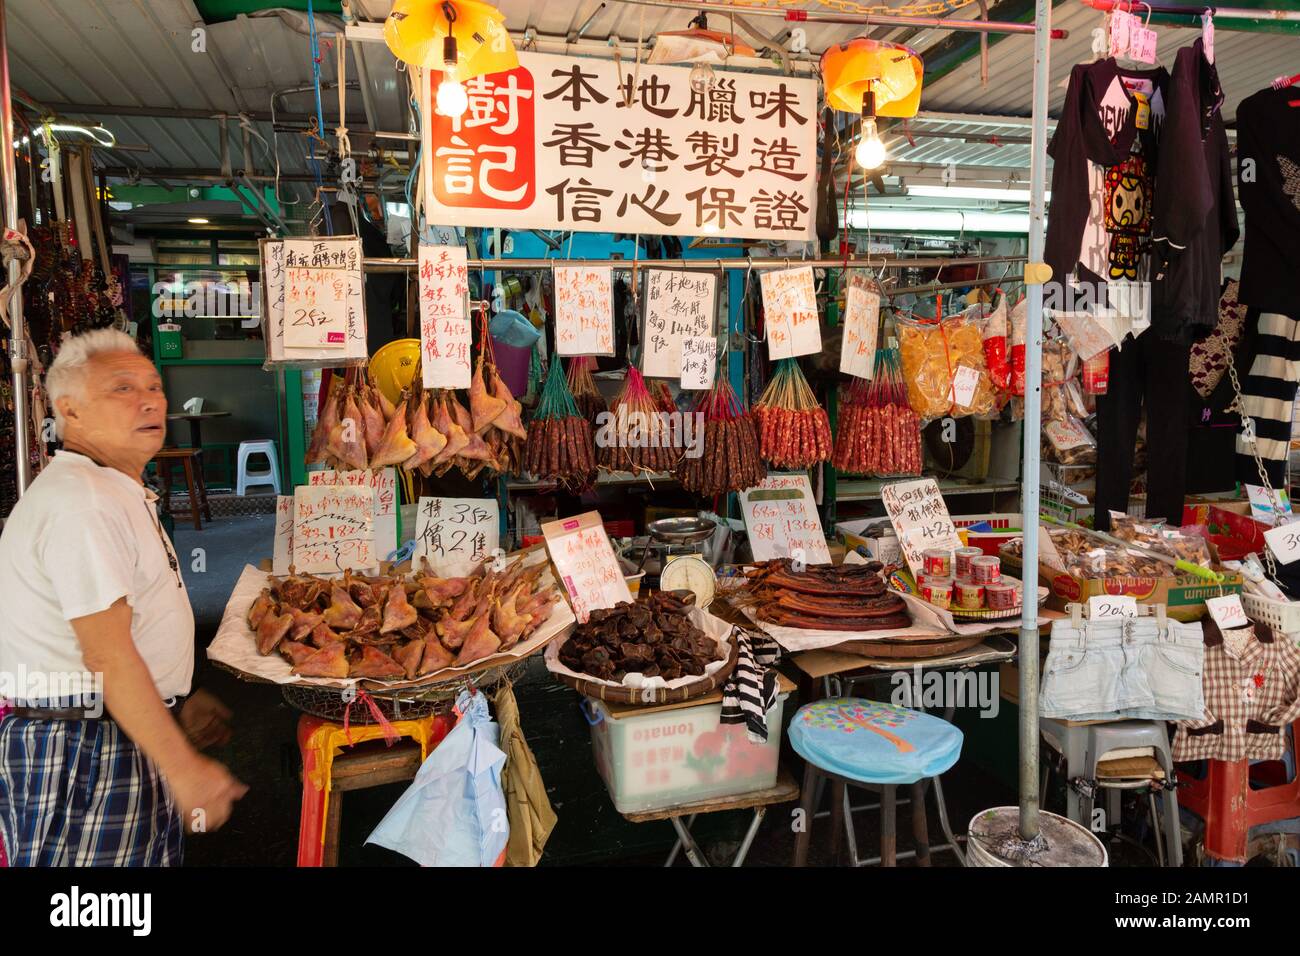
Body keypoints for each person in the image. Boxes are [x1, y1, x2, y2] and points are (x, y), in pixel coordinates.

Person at [0, 328, 246, 865]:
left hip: (115, 733)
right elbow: (105, 652)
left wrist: (177, 694)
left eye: (154, 387)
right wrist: (184, 770)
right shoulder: (83, 502)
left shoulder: (109, 488)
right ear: (71, 411)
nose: (150, 400)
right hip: (83, 752)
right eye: (122, 388)